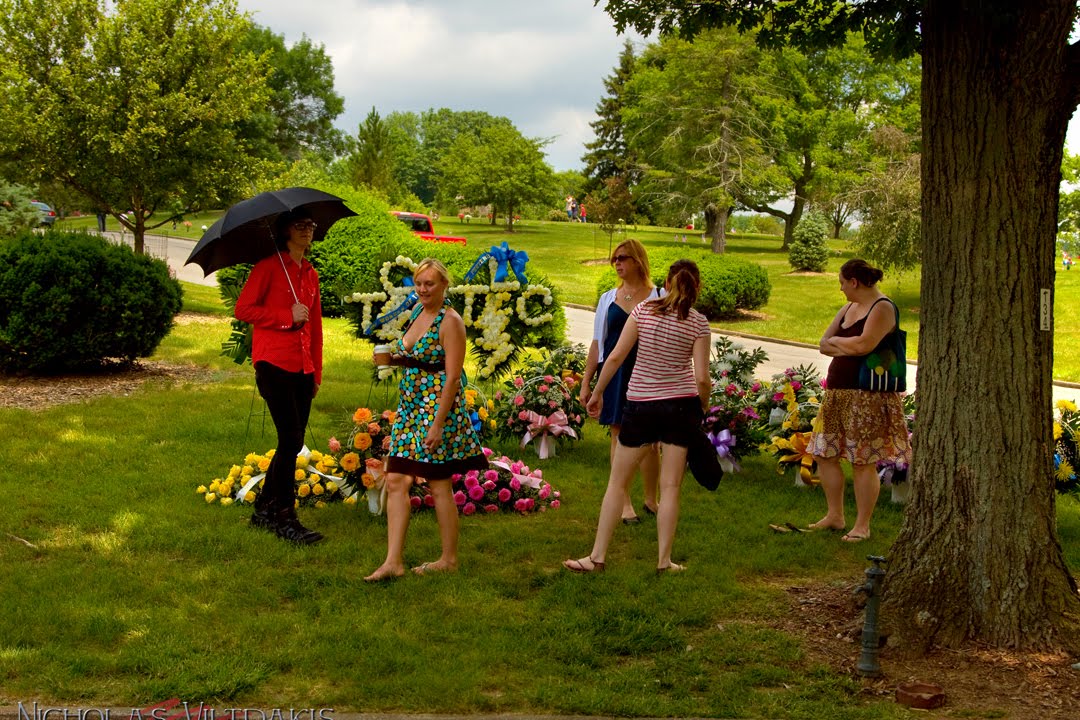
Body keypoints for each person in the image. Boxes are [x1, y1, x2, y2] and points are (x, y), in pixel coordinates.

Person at [565, 259, 712, 574]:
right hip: (679, 408)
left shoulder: (643, 311)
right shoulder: (698, 323)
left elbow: (615, 356)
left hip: (641, 405)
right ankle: (664, 562)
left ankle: (597, 557)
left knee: (617, 483)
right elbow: (702, 378)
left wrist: (596, 392)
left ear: (666, 284)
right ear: (697, 287)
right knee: (670, 487)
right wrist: (702, 407)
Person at [364, 258, 489, 582]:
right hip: (410, 408)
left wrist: (437, 424)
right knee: (395, 479)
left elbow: (452, 377)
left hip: (436, 410)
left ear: (444, 285)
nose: (422, 289)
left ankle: (449, 559)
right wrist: (392, 359)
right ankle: (393, 562)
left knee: (438, 483)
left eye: (429, 283)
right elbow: (417, 357)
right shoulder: (418, 312)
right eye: (419, 283)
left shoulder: (451, 322)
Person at [235, 209, 324, 545]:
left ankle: (264, 508)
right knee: (290, 438)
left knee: (293, 442)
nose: (306, 230)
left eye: (310, 225)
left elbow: (316, 328)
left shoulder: (311, 274)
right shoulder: (268, 267)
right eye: (299, 225)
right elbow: (244, 309)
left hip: (303, 367)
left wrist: (316, 371)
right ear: (286, 231)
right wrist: (286, 316)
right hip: (273, 363)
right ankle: (285, 517)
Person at [807, 258, 911, 543]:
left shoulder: (883, 308)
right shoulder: (848, 308)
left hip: (867, 397)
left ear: (854, 282)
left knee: (862, 460)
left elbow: (865, 345)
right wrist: (848, 346)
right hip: (837, 393)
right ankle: (835, 516)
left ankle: (862, 526)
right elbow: (823, 343)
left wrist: (842, 345)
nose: (841, 288)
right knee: (824, 454)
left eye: (842, 282)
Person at [579, 239, 660, 524]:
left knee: (651, 440)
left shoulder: (659, 296)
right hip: (615, 374)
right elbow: (598, 343)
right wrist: (587, 382)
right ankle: (624, 502)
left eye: (623, 258)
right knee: (619, 434)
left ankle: (651, 499)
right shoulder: (607, 299)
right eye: (615, 258)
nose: (617, 263)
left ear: (638, 260)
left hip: (648, 373)